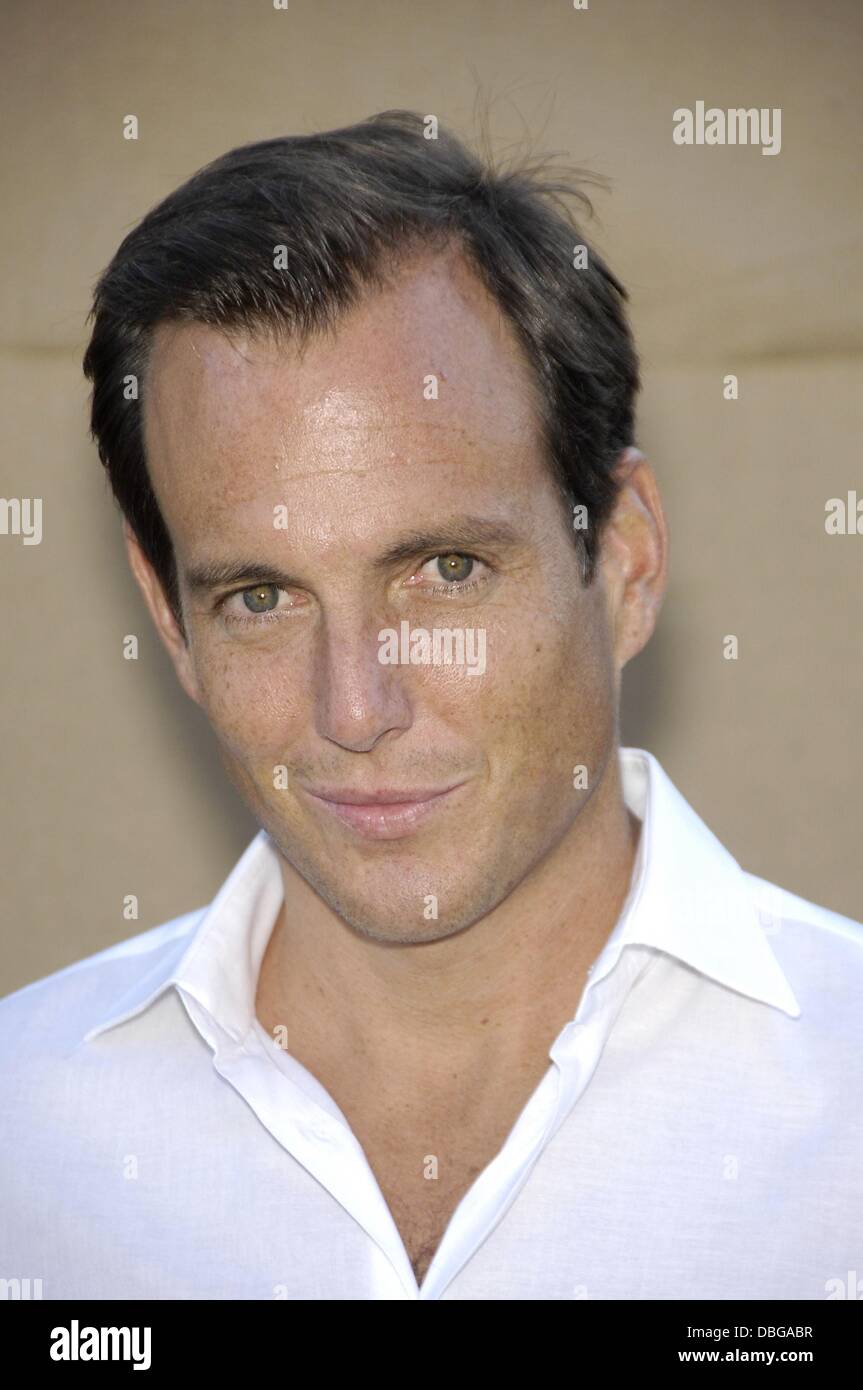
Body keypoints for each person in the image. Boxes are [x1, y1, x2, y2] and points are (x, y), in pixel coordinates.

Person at [1, 110, 861, 1302]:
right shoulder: (22, 1141)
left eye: (444, 571)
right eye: (260, 595)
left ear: (620, 559)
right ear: (169, 619)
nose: (355, 706)